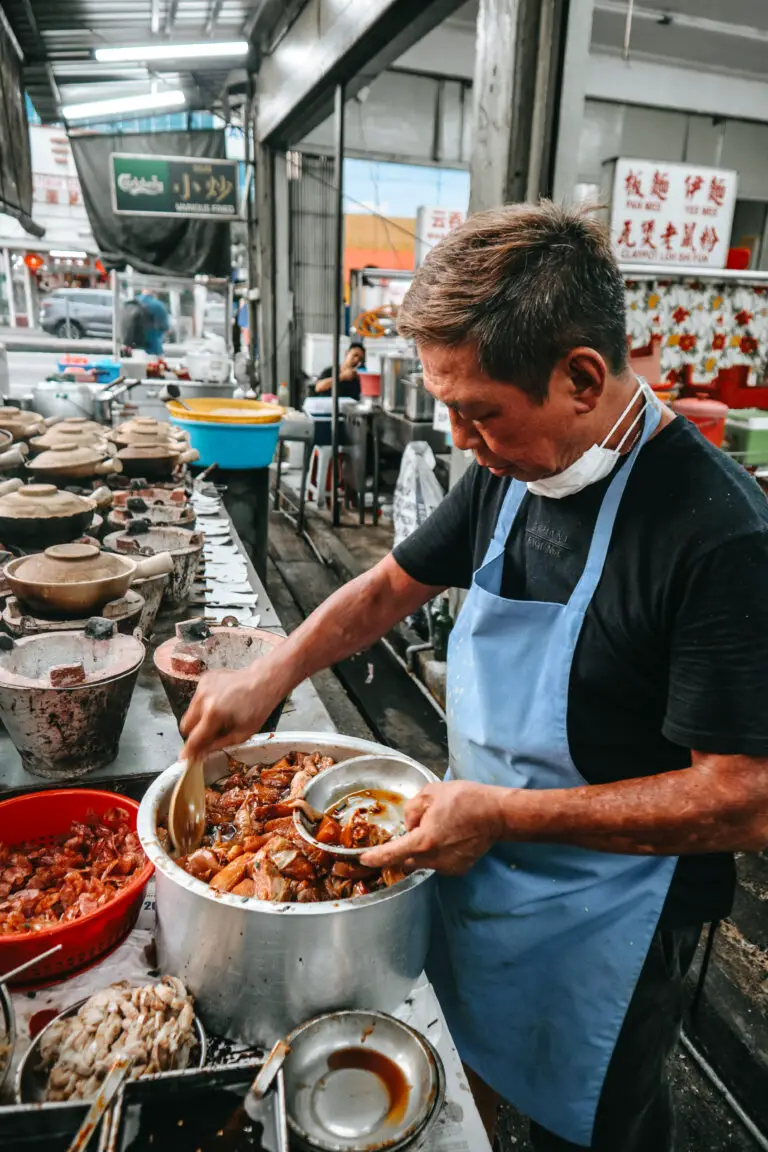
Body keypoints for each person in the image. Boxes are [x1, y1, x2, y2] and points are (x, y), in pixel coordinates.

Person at [180, 203, 768, 1152]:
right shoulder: (512, 470)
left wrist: (500, 814)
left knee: (599, 1120)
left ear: (582, 378)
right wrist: (272, 670)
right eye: (449, 408)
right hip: (479, 854)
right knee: (474, 1058)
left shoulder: (718, 534)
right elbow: (389, 585)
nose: (459, 438)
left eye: (479, 412)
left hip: (615, 915)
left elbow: (744, 800)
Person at [137, 289, 169, 356]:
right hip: (152, 341)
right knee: (156, 356)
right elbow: (164, 325)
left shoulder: (133, 301)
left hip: (132, 343)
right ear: (154, 294)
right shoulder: (157, 305)